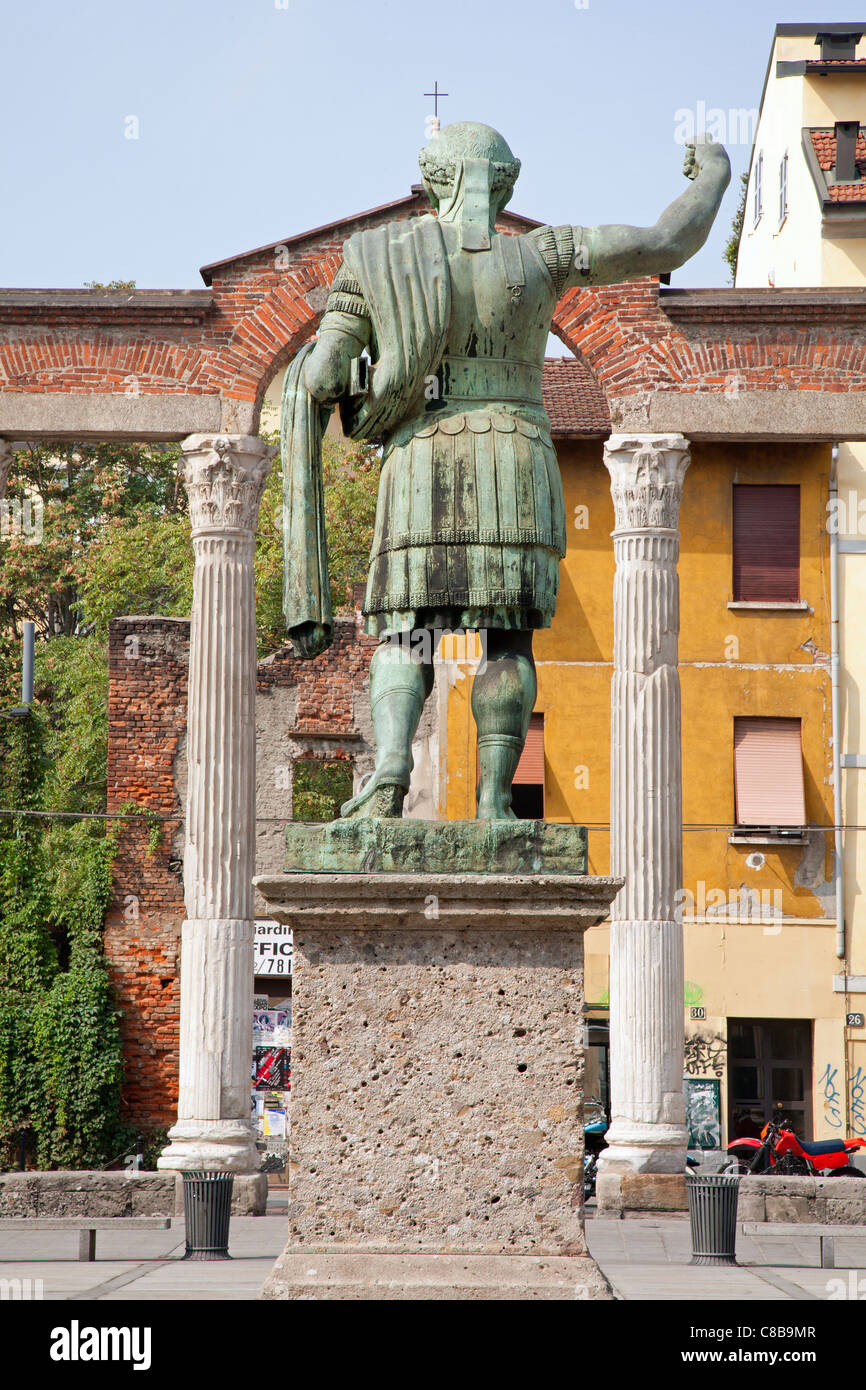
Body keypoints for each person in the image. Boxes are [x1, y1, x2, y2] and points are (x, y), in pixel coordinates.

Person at [282, 121, 730, 818]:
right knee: (508, 635)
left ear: (433, 184)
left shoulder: (376, 260)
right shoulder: (544, 255)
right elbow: (671, 241)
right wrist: (714, 173)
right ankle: (495, 802)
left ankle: (391, 778)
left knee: (405, 629)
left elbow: (324, 372)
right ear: (507, 181)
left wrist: (339, 375)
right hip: (516, 455)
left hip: (423, 460)